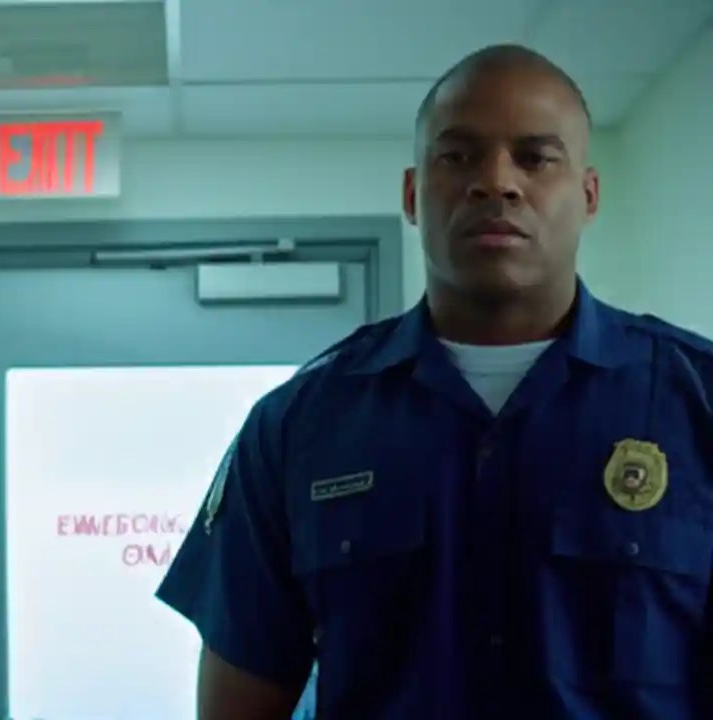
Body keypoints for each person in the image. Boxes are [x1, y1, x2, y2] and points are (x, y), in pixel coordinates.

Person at [156, 43, 713, 719]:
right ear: (414, 195)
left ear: (588, 195)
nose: (497, 182)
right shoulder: (300, 425)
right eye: (459, 157)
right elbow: (241, 699)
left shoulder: (695, 401)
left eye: (535, 158)